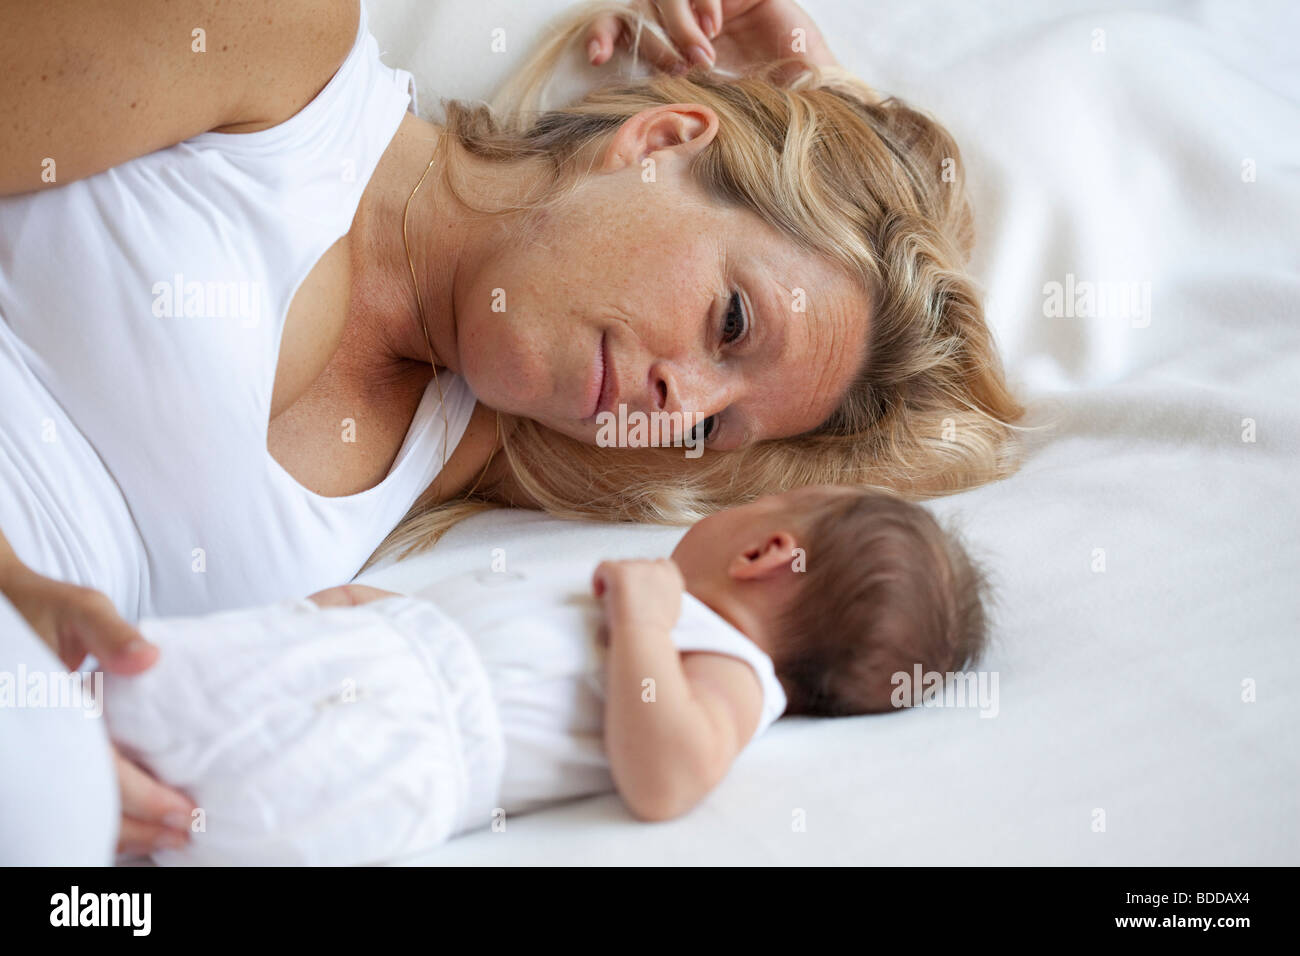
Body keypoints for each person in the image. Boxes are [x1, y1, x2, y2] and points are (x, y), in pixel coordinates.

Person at [0, 0, 1022, 857]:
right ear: (661, 140)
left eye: (717, 425)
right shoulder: (281, 53)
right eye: (731, 320)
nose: (681, 407)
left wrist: (826, 101)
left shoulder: (479, 446)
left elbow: (867, 540)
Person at [103, 485, 989, 864]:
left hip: (395, 746)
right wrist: (386, 612)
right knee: (138, 690)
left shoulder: (736, 672)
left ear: (764, 550)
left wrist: (642, 627)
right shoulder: (676, 602)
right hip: (368, 663)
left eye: (750, 507)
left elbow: (668, 776)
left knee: (172, 780)